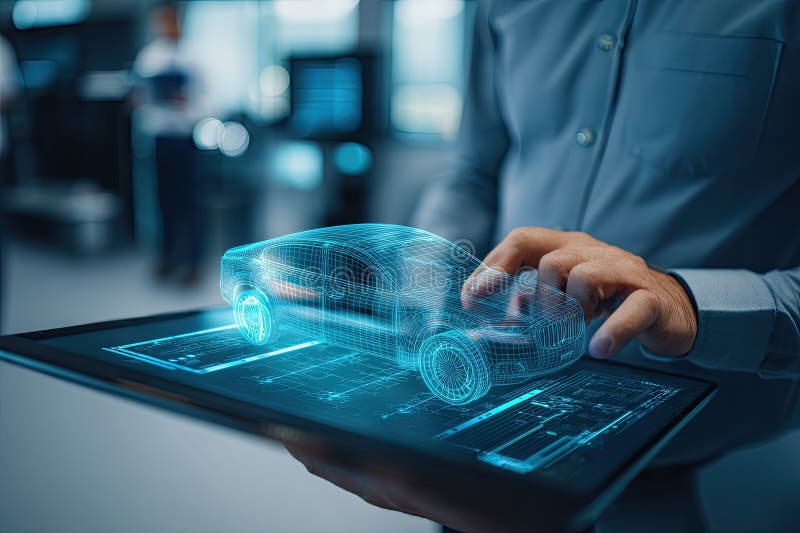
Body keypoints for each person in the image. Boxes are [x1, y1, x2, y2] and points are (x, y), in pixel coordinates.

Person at [285, 1, 800, 531]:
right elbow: (474, 171)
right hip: (484, 444)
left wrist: (688, 301)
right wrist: (430, 267)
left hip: (696, 483)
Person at [133, 2, 205, 284]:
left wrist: (188, 103)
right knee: (164, 202)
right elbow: (138, 98)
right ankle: (167, 258)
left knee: (191, 203)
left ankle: (192, 262)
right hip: (160, 138)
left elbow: (209, 98)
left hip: (186, 138)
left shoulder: (194, 56)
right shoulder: (149, 57)